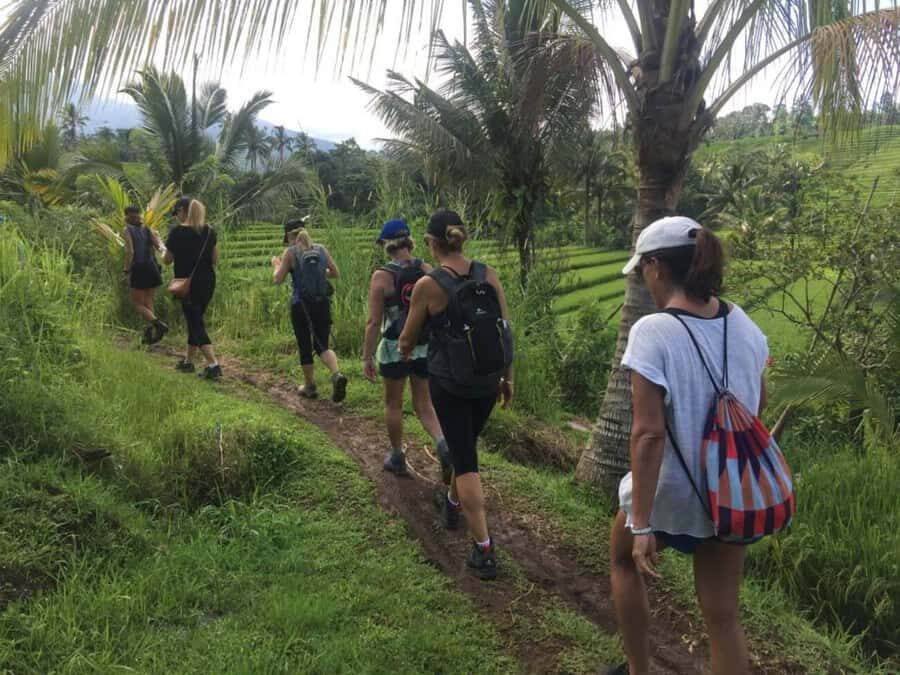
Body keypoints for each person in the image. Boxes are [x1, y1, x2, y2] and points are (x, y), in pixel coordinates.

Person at [607, 217, 769, 675]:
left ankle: (639, 669)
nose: (644, 280)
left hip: (669, 494)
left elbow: (648, 434)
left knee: (622, 559)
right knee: (723, 618)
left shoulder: (653, 331)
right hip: (730, 494)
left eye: (642, 271)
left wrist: (642, 524)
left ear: (656, 266)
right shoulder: (745, 325)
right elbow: (759, 402)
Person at [399, 209, 514, 581]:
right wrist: (506, 378)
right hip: (488, 379)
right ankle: (450, 503)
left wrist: (404, 348)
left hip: (450, 383)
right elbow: (505, 332)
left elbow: (407, 338)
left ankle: (484, 549)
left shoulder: (429, 285)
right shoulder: (488, 274)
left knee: (465, 461)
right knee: (465, 444)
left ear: (432, 243)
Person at [361, 218, 451, 478]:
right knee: (424, 405)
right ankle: (443, 445)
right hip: (423, 346)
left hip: (393, 347)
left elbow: (374, 321)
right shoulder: (427, 269)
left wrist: (367, 357)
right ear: (409, 242)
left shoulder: (382, 276)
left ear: (386, 245)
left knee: (393, 404)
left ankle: (398, 456)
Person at [272, 219, 348, 402]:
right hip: (322, 303)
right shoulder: (321, 249)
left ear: (289, 236)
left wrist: (276, 264)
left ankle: (309, 386)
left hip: (301, 305)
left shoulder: (290, 252)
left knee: (305, 345)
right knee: (322, 345)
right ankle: (336, 374)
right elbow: (335, 273)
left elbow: (278, 279)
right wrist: (320, 274)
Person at [163, 197, 222, 379]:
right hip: (207, 282)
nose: (177, 217)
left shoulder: (176, 233)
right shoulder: (209, 231)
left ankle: (213, 365)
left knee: (195, 323)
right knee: (194, 319)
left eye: (177, 213)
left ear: (182, 211)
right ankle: (189, 362)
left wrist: (160, 245)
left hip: (187, 284)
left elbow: (167, 260)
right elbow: (215, 260)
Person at [122, 205, 167, 344]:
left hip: (139, 268)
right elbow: (160, 246)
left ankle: (158, 325)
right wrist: (163, 250)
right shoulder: (147, 229)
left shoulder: (127, 229)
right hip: (152, 267)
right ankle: (150, 335)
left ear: (127, 217)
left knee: (137, 304)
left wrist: (126, 271)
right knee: (148, 302)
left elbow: (130, 252)